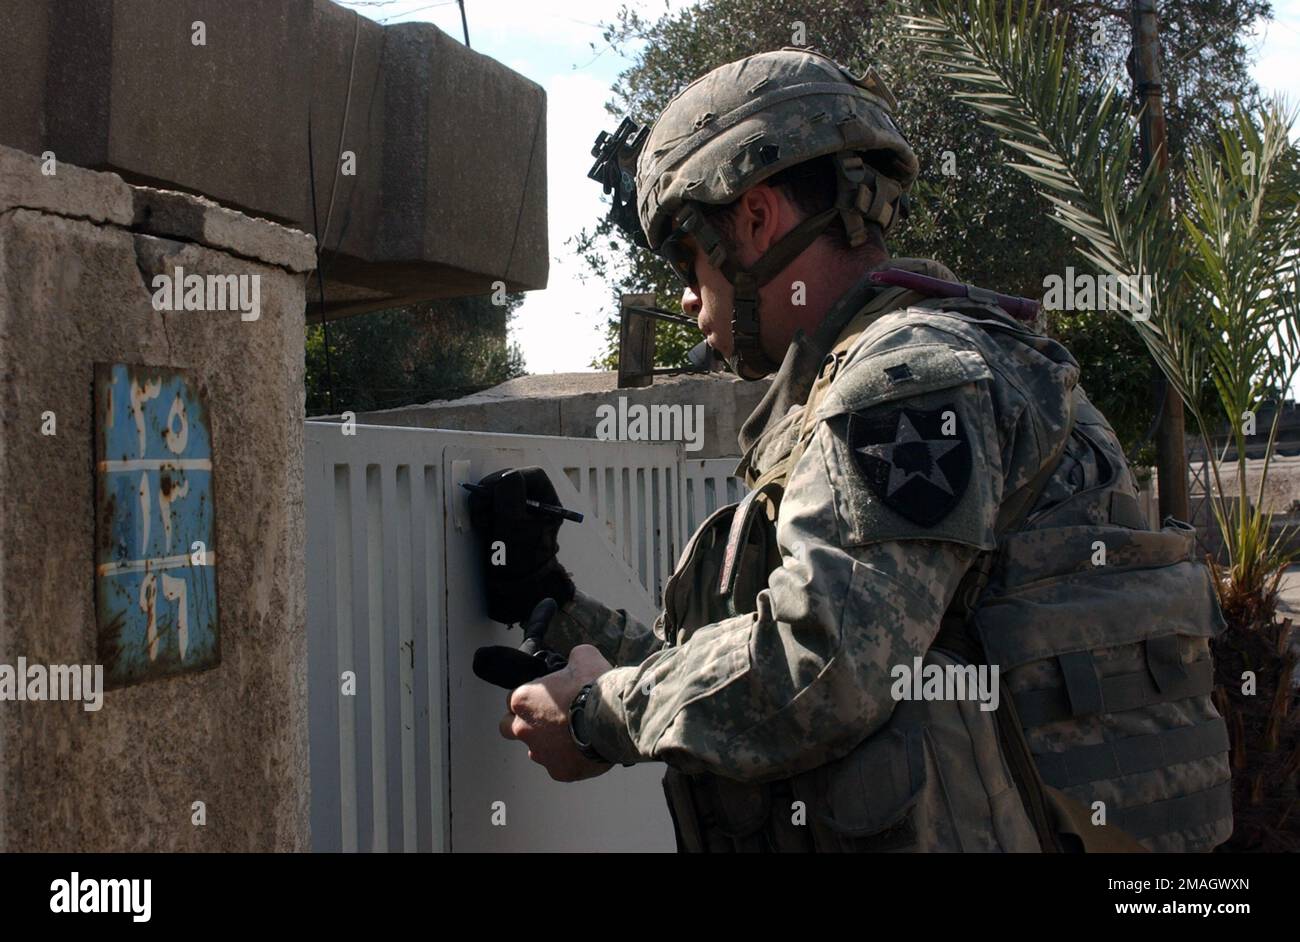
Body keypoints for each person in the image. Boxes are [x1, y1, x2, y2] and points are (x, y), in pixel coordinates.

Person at [471, 48, 1232, 853]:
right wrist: (558, 613)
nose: (689, 298)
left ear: (757, 219)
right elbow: (792, 645)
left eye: (688, 258)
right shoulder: (946, 362)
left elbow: (824, 668)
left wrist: (597, 719)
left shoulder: (904, 383)